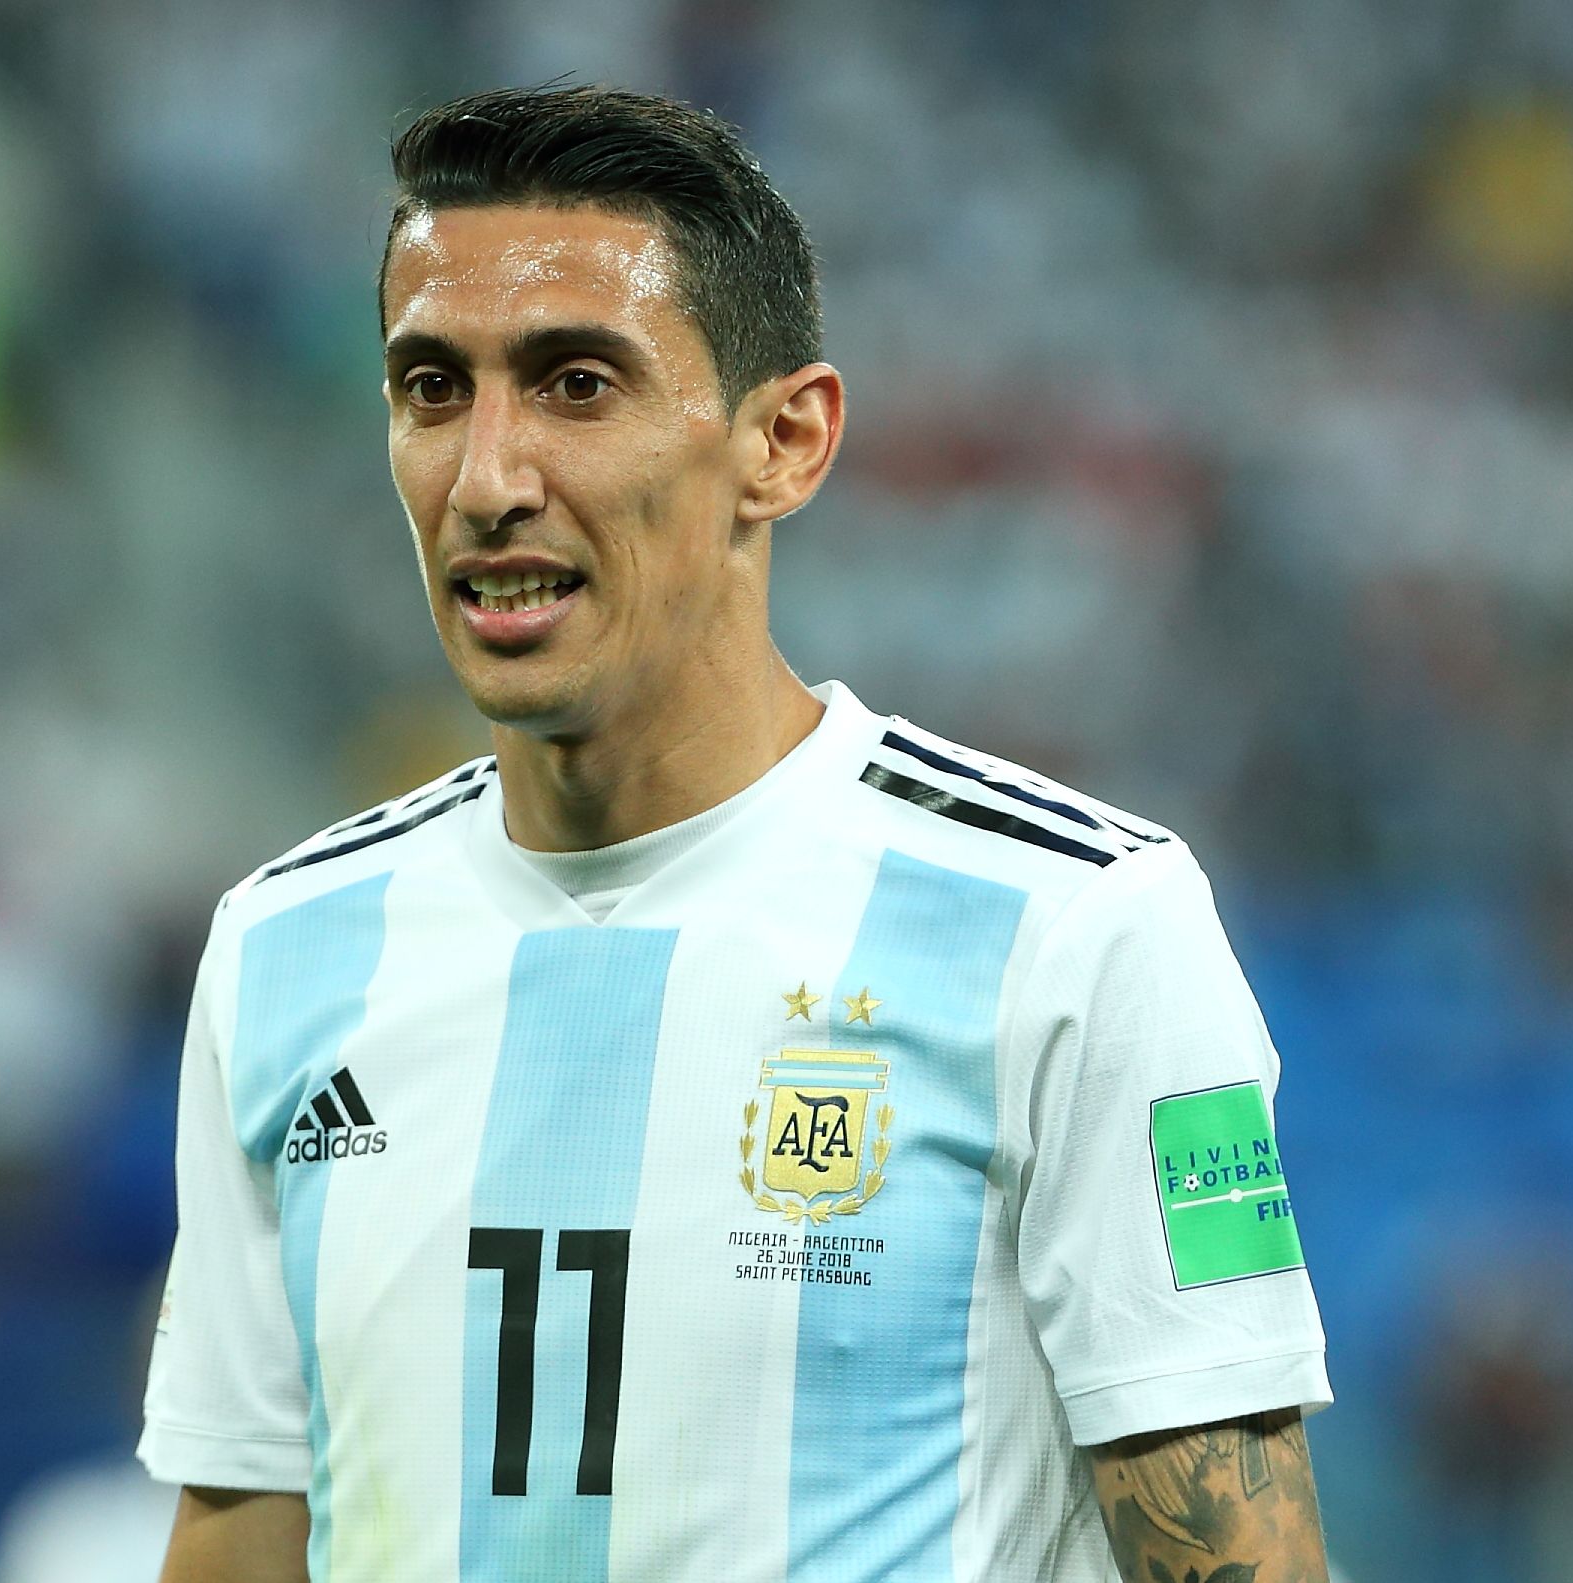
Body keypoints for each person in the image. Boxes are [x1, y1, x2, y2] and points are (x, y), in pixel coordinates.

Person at [138, 84, 1334, 1583]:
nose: (488, 479)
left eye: (577, 384)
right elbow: (242, 1529)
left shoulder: (1081, 929)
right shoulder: (283, 951)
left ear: (784, 442)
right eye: (433, 388)